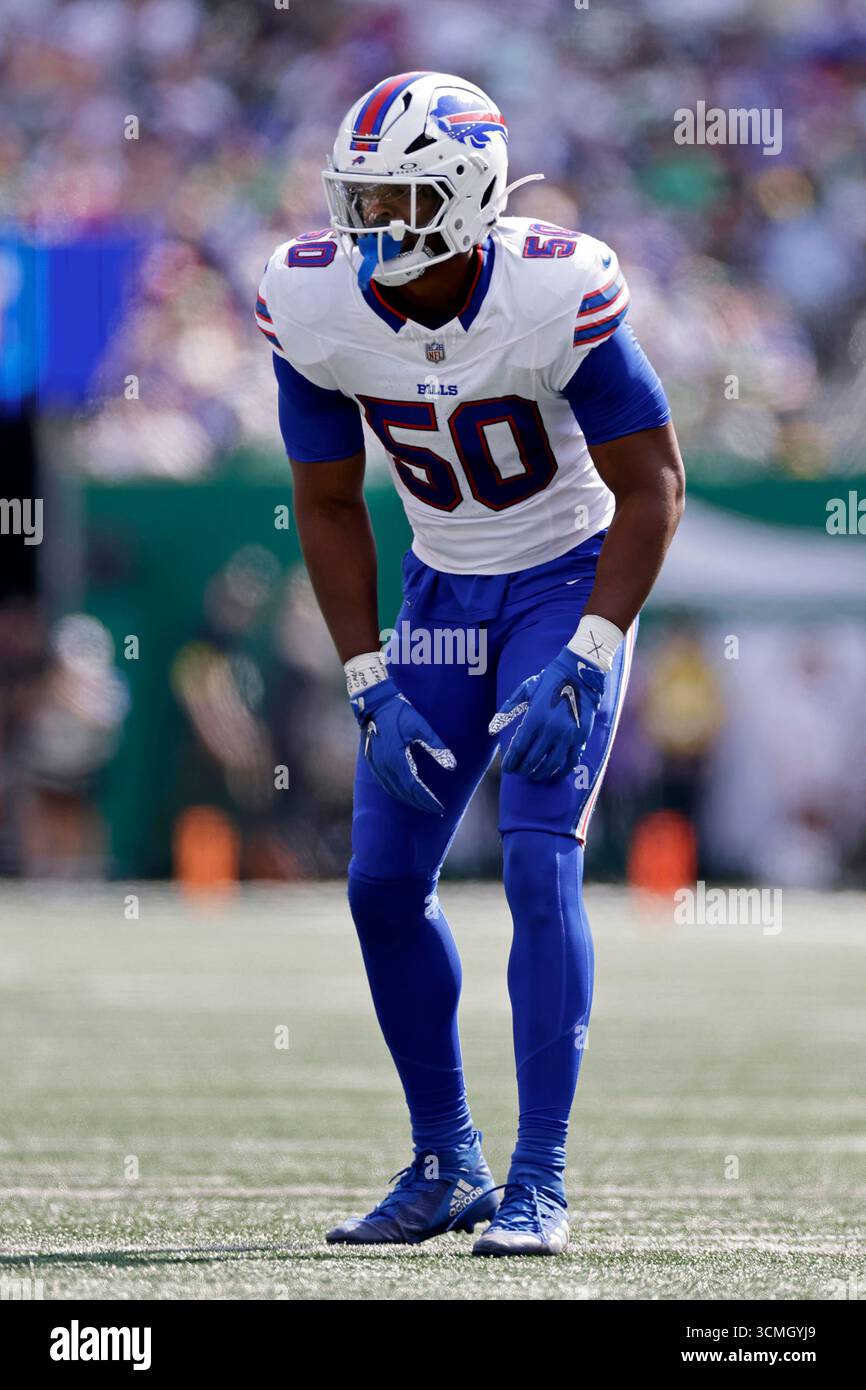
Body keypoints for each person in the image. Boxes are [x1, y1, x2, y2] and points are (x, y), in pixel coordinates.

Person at [256, 71, 685, 1256]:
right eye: (360, 194)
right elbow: (328, 501)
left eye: (394, 194)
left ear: (460, 191)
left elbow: (651, 484)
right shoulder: (314, 304)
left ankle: (539, 1178)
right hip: (440, 588)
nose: (366, 221)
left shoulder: (556, 287)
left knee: (540, 863)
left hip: (562, 575)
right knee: (382, 884)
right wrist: (364, 676)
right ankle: (447, 1160)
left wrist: (593, 652)